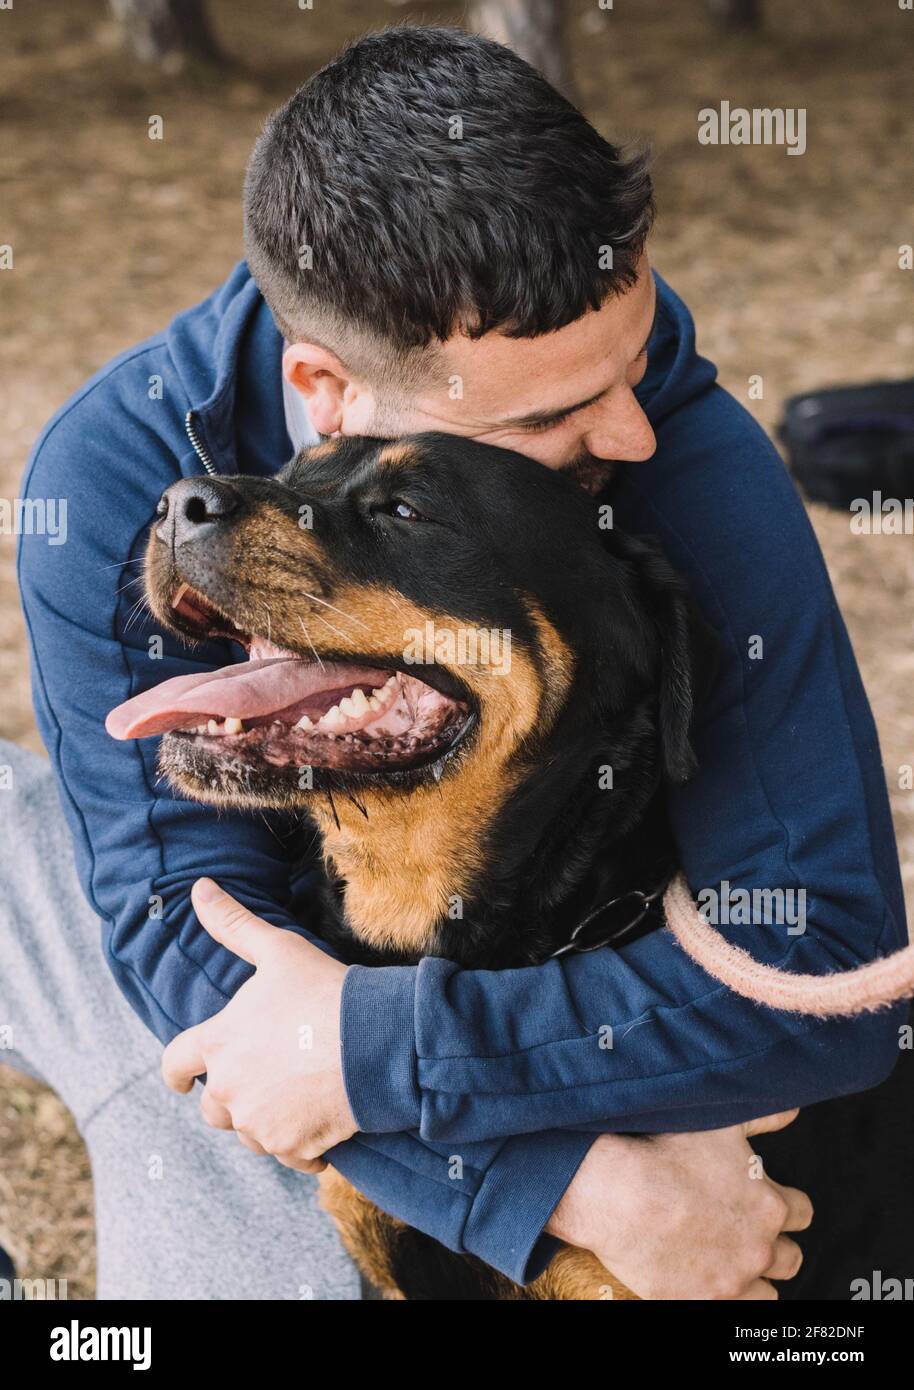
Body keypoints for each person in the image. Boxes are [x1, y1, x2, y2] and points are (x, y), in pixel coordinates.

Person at [9, 25, 906, 1299]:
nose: (632, 433)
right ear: (327, 392)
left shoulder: (672, 456)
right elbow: (185, 943)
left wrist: (389, 1048)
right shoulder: (117, 468)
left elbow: (825, 966)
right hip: (252, 1024)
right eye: (547, 418)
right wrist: (566, 1183)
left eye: (639, 356)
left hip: (466, 987)